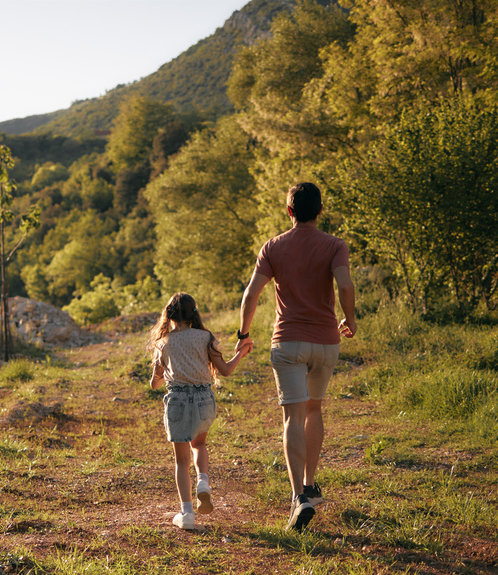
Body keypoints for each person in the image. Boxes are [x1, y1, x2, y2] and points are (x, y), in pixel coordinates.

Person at [237, 182, 357, 530]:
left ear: (289, 211)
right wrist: (349, 319)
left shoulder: (273, 247)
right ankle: (310, 484)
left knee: (292, 417)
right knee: (314, 408)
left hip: (288, 342)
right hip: (325, 341)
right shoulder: (336, 246)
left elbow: (251, 295)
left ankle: (298, 498)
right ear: (320, 209)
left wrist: (243, 335)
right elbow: (345, 285)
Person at [149, 292, 253, 530]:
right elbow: (225, 370)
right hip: (204, 399)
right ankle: (203, 482)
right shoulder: (205, 337)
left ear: (169, 315)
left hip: (178, 402)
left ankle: (186, 513)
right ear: (193, 313)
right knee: (200, 445)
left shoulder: (163, 342)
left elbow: (155, 384)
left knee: (181, 461)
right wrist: (241, 353)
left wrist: (161, 374)